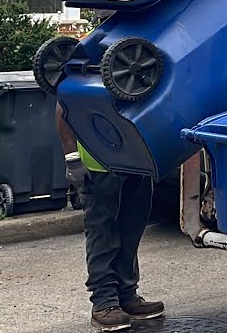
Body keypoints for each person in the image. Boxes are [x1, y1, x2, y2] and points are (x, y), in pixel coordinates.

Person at [56, 104, 165, 331]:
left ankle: (127, 295)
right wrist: (72, 159)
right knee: (102, 233)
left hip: (137, 160)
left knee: (131, 229)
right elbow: (64, 106)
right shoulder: (90, 78)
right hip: (99, 163)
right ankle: (104, 302)